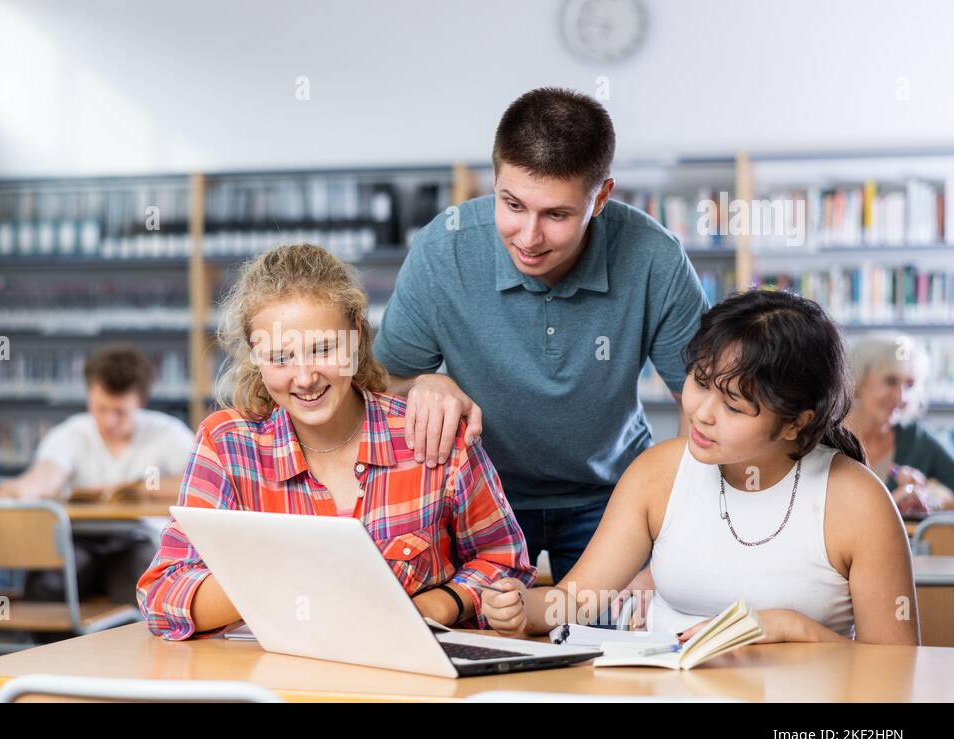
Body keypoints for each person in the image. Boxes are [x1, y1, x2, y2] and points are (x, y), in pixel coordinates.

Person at [373, 86, 709, 589]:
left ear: (601, 197)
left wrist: (678, 525)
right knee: (476, 639)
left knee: (613, 643)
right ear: (495, 179)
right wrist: (426, 383)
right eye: (512, 205)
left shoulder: (653, 257)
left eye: (556, 215)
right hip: (481, 493)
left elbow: (703, 398)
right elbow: (380, 385)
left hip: (612, 496)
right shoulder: (443, 249)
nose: (528, 238)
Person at [137, 243, 534, 640]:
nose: (305, 377)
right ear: (255, 356)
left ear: (356, 336)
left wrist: (438, 605)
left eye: (323, 349)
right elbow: (162, 595)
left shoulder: (431, 434)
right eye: (280, 358)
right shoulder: (226, 445)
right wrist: (291, 576)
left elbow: (502, 562)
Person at [481, 290, 919, 646]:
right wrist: (518, 608)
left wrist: (792, 628)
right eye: (700, 382)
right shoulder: (658, 473)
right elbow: (571, 602)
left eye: (732, 406)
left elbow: (899, 669)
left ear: (795, 423)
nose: (702, 413)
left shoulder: (857, 502)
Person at [0, 344, 195, 604]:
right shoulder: (72, 433)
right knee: (46, 585)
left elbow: (201, 483)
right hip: (80, 540)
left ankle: (131, 642)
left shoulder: (167, 432)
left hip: (137, 541)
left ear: (140, 402)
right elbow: (46, 475)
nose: (109, 421)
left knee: (141, 582)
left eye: (120, 412)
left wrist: (138, 488)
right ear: (89, 395)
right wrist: (23, 489)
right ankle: (58, 645)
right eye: (101, 409)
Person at [845, 333, 954, 516]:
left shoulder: (917, 439)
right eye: (890, 381)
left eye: (910, 385)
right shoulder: (825, 436)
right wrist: (892, 504)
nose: (901, 397)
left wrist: (930, 498)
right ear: (858, 381)